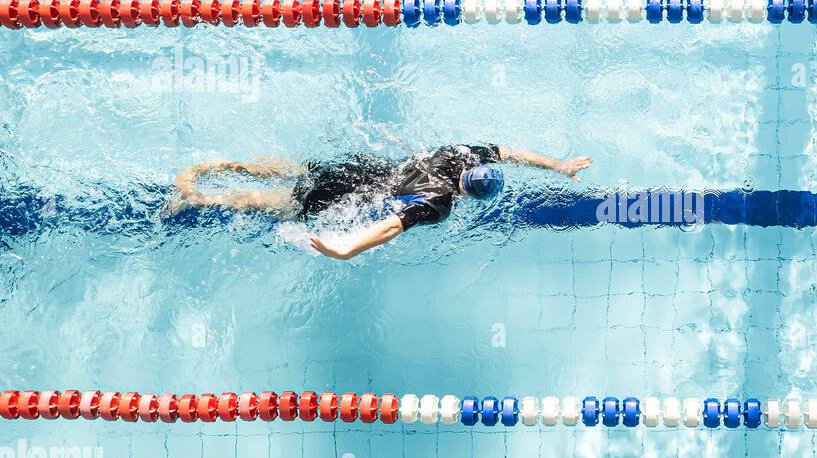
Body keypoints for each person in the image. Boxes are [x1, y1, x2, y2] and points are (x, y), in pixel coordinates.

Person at [168, 144, 592, 259]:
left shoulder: (460, 154)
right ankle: (198, 197)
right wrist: (347, 248)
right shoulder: (439, 203)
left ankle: (223, 163)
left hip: (357, 164)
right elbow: (392, 225)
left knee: (294, 169)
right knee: (276, 203)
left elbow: (511, 152)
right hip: (346, 193)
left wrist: (559, 165)